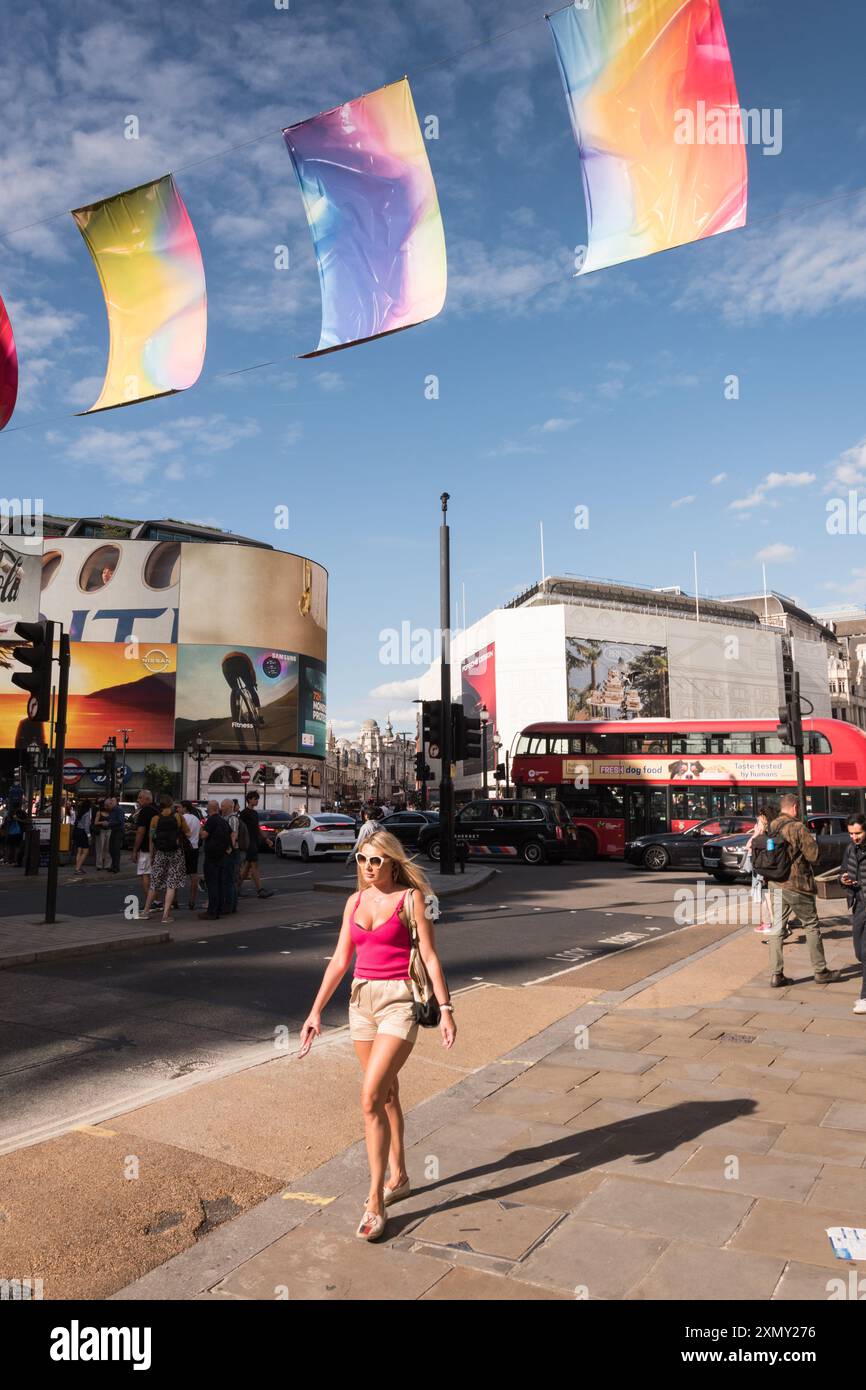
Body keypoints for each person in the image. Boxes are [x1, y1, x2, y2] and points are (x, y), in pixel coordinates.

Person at [298, 830, 455, 1243]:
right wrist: (315, 1011)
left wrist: (447, 1008)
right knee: (386, 1095)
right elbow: (340, 961)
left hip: (399, 1002)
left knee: (369, 1098)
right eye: (362, 860)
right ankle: (400, 1176)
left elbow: (429, 955)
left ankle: (375, 1199)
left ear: (392, 863)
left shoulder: (409, 899)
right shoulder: (354, 901)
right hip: (360, 1002)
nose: (368, 868)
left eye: (376, 861)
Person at [763, 794, 842, 988]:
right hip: (797, 884)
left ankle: (776, 974)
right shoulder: (798, 827)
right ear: (796, 807)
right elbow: (813, 855)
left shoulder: (772, 826)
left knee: (777, 929)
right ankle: (821, 971)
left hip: (776, 883)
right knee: (811, 925)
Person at [142, 793, 188, 923]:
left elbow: (151, 838)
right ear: (171, 804)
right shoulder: (178, 817)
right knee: (171, 883)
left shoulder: (155, 819)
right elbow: (188, 833)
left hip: (160, 853)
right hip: (176, 853)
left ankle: (145, 911)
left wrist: (152, 855)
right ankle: (165, 915)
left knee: (154, 882)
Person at [841, 813, 866, 1015]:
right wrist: (844, 880)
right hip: (858, 904)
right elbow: (844, 871)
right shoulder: (850, 848)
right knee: (859, 952)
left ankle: (865, 997)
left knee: (865, 953)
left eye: (858, 833)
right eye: (851, 833)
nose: (854, 837)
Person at [199, 799, 234, 919]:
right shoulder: (223, 821)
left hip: (212, 856)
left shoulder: (211, 820)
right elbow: (231, 833)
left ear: (209, 809)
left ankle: (212, 911)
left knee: (212, 883)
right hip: (222, 856)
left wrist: (201, 828)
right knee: (219, 883)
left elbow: (204, 835)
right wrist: (229, 847)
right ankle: (218, 908)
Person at [238, 791, 273, 898]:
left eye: (257, 799)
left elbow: (257, 828)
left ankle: (236, 889)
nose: (257, 801)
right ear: (249, 799)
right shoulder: (244, 813)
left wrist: (266, 839)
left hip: (254, 841)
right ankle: (260, 890)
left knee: (247, 867)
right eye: (255, 799)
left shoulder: (254, 813)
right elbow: (239, 828)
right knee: (255, 866)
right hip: (249, 842)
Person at [131, 789, 161, 908]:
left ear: (147, 799)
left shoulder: (145, 811)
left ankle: (152, 902)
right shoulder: (157, 810)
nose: (138, 800)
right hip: (158, 848)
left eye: (140, 798)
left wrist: (134, 850)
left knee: (145, 874)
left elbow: (141, 832)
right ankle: (157, 900)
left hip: (146, 849)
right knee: (154, 876)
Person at [221, 797, 241, 913]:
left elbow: (233, 835)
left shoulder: (232, 819)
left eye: (223, 806)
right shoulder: (225, 817)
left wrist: (229, 848)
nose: (221, 808)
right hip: (229, 850)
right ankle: (230, 905)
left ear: (229, 807)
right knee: (228, 879)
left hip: (231, 852)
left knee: (229, 879)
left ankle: (230, 905)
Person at [181, 800, 202, 910]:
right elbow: (200, 834)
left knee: (177, 874)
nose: (179, 809)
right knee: (193, 875)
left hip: (183, 849)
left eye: (180, 807)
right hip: (194, 848)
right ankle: (192, 900)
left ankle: (174, 900)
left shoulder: (182, 818)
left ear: (185, 808)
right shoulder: (196, 819)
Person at [72, 798, 93, 875]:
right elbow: (86, 826)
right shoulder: (87, 813)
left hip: (77, 831)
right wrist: (89, 836)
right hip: (83, 832)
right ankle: (77, 868)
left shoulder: (80, 812)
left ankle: (78, 867)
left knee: (79, 851)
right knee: (85, 851)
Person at [105, 796, 124, 873]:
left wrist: (109, 823)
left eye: (107, 805)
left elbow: (120, 822)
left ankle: (116, 867)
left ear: (111, 803)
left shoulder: (118, 810)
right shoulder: (112, 811)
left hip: (119, 831)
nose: (106, 807)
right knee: (111, 849)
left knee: (116, 849)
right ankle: (113, 865)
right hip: (114, 830)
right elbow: (111, 819)